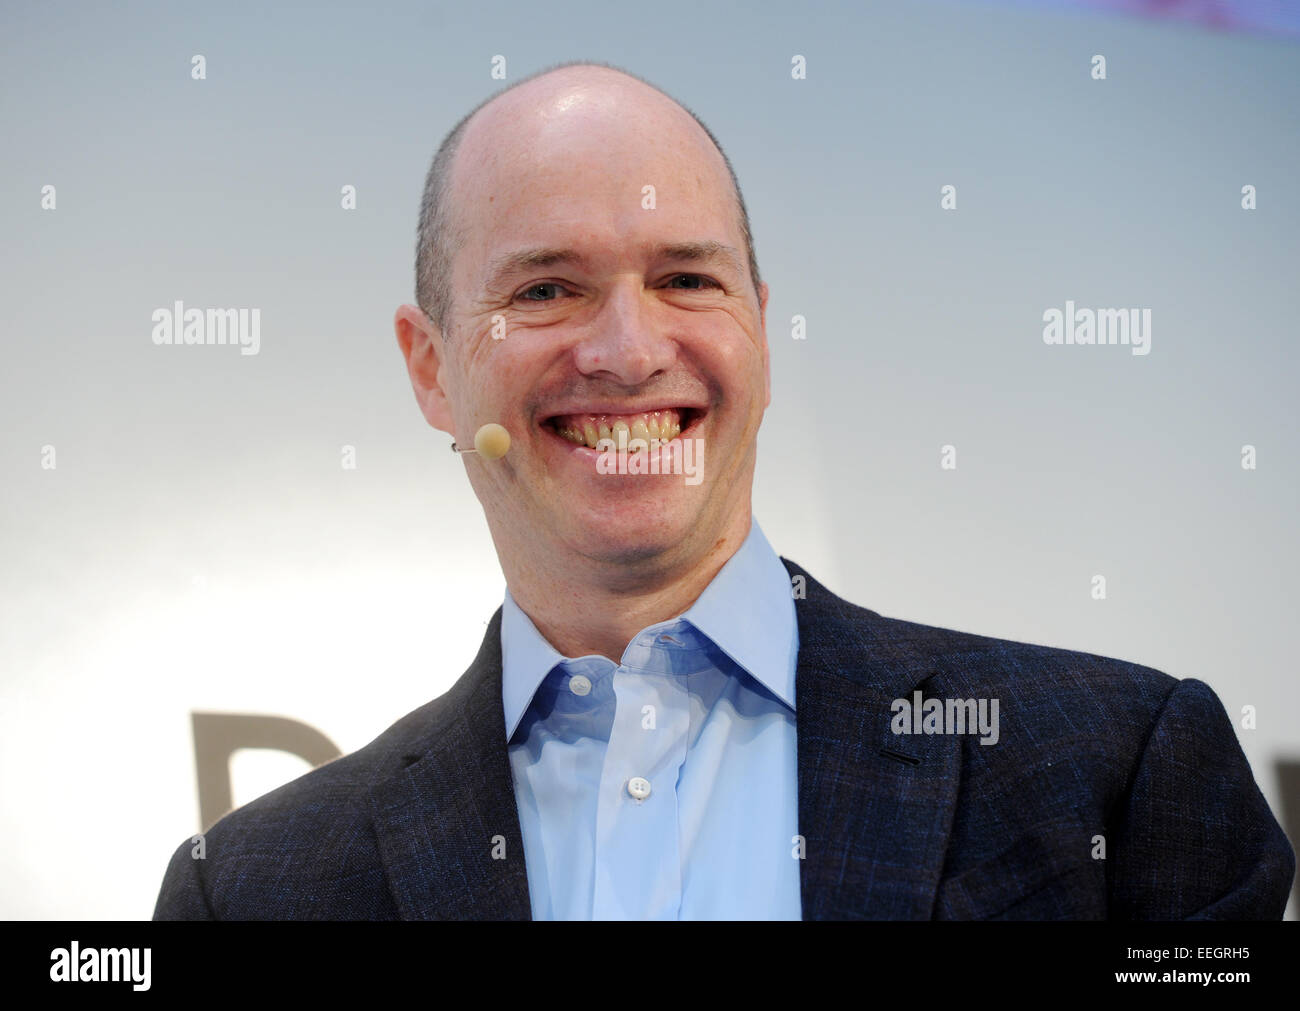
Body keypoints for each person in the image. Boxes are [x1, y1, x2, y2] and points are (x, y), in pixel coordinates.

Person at [153, 61, 1294, 920]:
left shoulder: (1114, 770)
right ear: (430, 367)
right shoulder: (252, 891)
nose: (628, 348)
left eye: (686, 278)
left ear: (758, 322)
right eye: (547, 288)